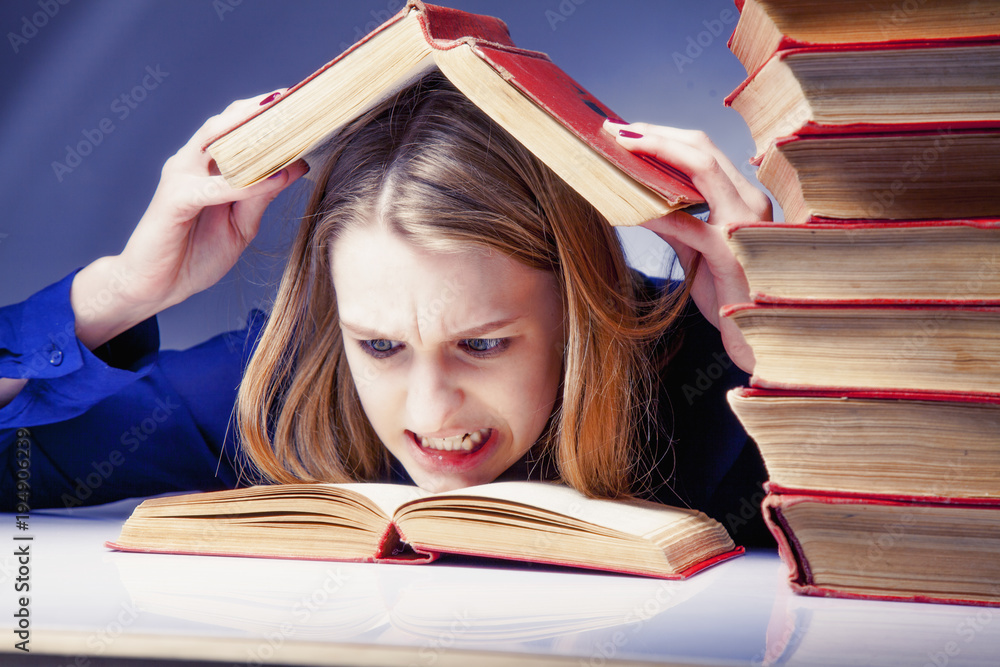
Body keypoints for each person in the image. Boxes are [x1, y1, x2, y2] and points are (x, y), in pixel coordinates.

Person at [0, 72, 773, 544]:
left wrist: (796, 361)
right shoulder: (284, 383)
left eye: (483, 344)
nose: (431, 414)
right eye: (380, 347)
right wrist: (118, 293)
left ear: (584, 305)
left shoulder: (721, 371)